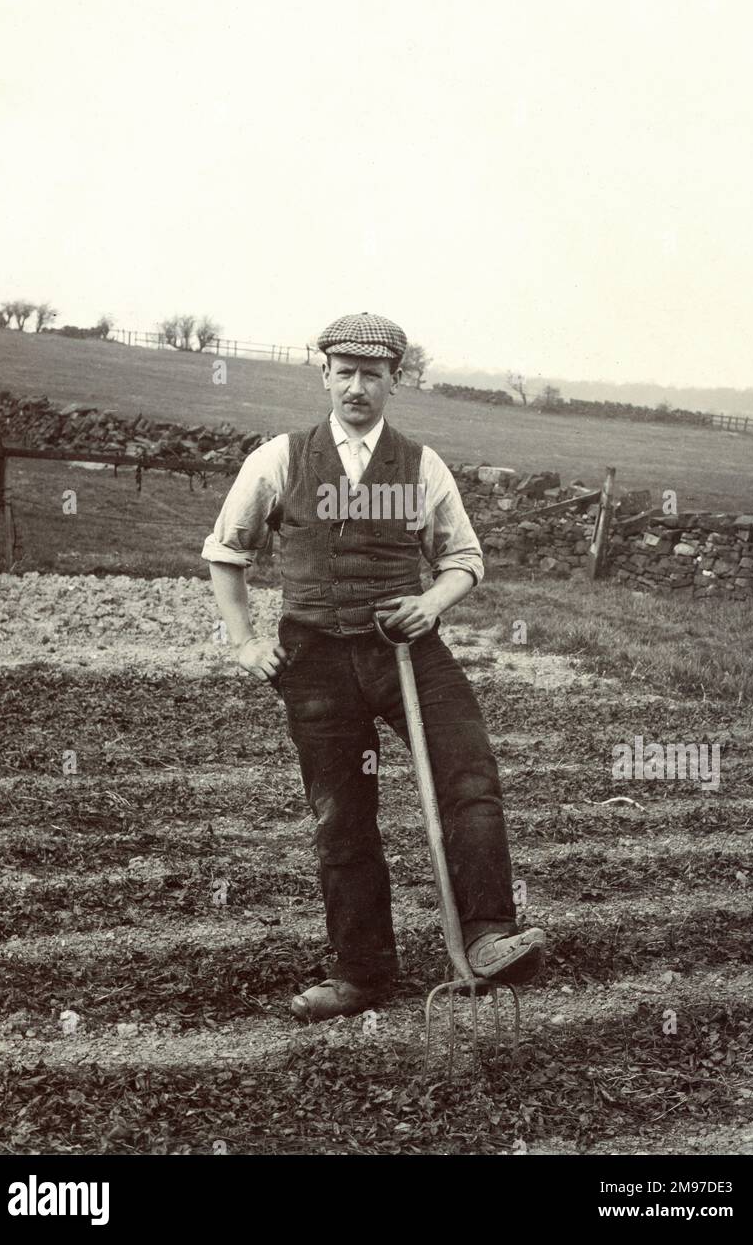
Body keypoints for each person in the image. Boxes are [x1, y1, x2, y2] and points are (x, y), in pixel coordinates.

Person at [202, 313, 545, 1022]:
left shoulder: (420, 465)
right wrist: (244, 642)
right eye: (345, 373)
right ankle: (361, 974)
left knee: (469, 778)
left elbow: (464, 559)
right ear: (324, 375)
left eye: (373, 375)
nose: (357, 387)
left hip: (406, 653)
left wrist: (431, 601)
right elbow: (225, 554)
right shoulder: (279, 460)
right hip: (316, 661)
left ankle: (487, 936)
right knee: (341, 819)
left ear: (396, 380)